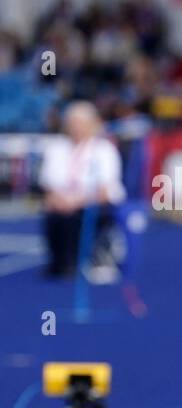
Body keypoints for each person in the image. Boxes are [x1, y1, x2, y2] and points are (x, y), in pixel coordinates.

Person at [39, 101, 125, 281]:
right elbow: (48, 184)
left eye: (81, 124)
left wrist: (76, 202)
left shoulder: (104, 150)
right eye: (72, 124)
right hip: (63, 203)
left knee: (78, 215)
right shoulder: (57, 148)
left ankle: (91, 257)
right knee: (55, 215)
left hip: (94, 203)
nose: (76, 128)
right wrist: (60, 201)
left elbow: (104, 189)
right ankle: (60, 261)